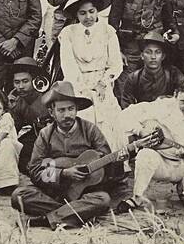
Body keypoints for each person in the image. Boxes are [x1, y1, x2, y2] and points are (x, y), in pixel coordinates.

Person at [11, 80, 133, 227]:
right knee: (18, 195)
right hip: (52, 193)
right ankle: (77, 213)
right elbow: (36, 171)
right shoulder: (45, 135)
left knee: (103, 199)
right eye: (61, 110)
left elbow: (106, 163)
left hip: (85, 193)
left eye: (71, 109)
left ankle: (47, 219)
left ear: (76, 110)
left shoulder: (90, 130)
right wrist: (63, 173)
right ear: (52, 112)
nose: (67, 115)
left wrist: (117, 161)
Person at [122, 78, 184, 211]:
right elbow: (125, 115)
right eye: (183, 101)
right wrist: (141, 130)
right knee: (145, 155)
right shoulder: (162, 106)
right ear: (175, 95)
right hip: (162, 163)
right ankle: (137, 197)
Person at [57, 0, 125, 152]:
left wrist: (104, 82)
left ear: (97, 11)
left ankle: (112, 166)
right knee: (85, 119)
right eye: (82, 13)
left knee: (109, 123)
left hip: (103, 84)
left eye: (91, 11)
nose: (88, 17)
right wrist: (83, 89)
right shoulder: (68, 33)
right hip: (80, 86)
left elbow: (116, 64)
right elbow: (69, 66)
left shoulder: (108, 31)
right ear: (77, 15)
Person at [113, 30, 182, 108]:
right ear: (142, 56)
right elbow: (127, 107)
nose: (153, 57)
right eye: (148, 52)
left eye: (158, 52)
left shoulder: (173, 74)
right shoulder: (134, 78)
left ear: (163, 56)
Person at [7, 57, 50, 169]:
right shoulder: (18, 101)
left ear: (35, 80)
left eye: (25, 81)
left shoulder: (48, 97)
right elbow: (13, 131)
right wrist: (9, 110)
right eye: (17, 82)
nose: (20, 87)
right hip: (36, 137)